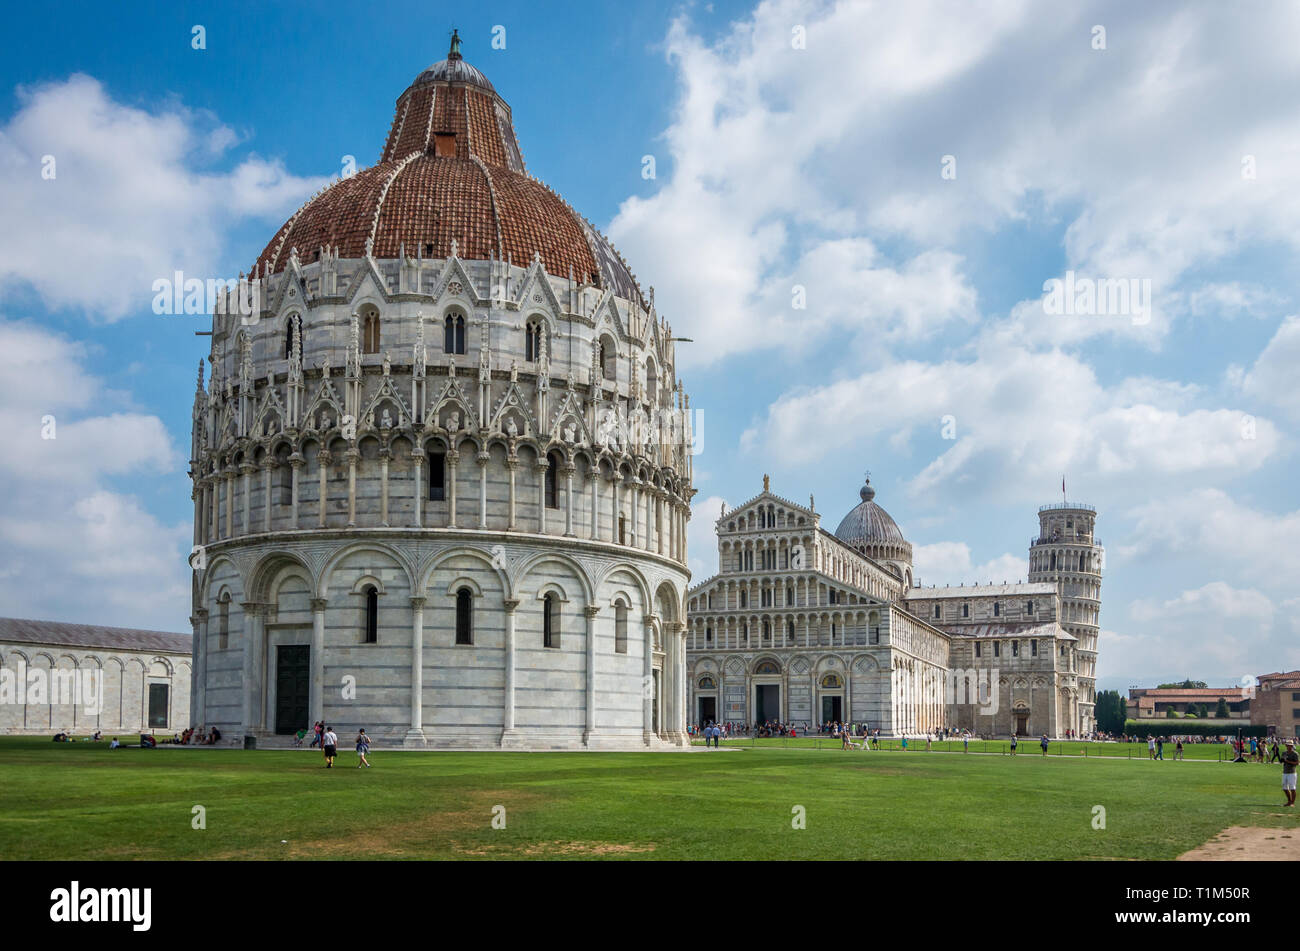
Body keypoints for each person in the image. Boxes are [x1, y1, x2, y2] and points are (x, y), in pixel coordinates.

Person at [1282, 741, 1298, 807]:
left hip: (1292, 773)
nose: (1288, 746)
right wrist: (1282, 760)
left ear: (1292, 746)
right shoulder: (1284, 753)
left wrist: (1288, 761)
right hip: (1285, 772)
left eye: (1290, 745)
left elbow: (1297, 763)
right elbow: (1282, 760)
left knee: (1292, 788)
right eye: (1287, 745)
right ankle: (1289, 801)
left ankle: (1292, 803)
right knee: (1284, 788)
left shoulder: (1295, 754)